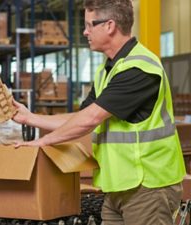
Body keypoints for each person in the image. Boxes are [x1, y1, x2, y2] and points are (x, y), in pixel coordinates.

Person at [12, 0, 186, 224]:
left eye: (89, 25)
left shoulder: (140, 68)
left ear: (109, 25)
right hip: (119, 186)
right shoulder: (109, 70)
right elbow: (82, 115)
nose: (85, 31)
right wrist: (31, 118)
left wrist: (42, 142)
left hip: (148, 187)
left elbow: (90, 119)